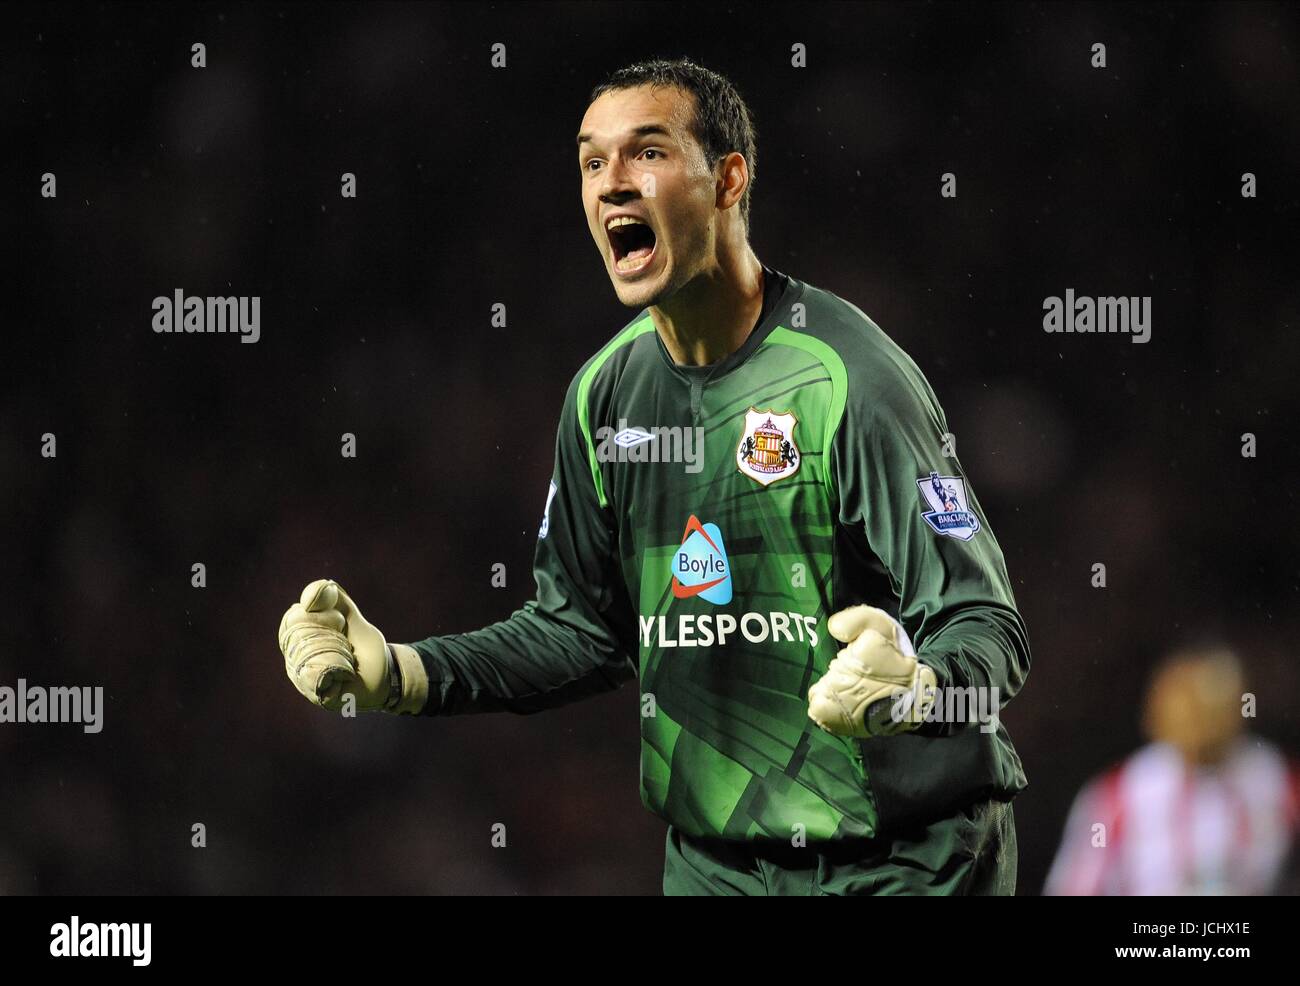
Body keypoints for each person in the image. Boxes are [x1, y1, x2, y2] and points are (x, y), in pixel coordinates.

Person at [279, 57, 1031, 895]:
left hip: (903, 862)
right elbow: (579, 630)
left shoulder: (847, 381)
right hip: (716, 869)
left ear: (729, 180)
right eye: (592, 162)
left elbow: (987, 623)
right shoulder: (604, 398)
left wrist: (922, 690)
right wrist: (403, 673)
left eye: (647, 153)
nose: (612, 185)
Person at [1044, 645, 1299, 895]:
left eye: (1214, 705)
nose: (1203, 720)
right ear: (1157, 713)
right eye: (1190, 706)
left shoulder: (1278, 780)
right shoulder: (1119, 794)